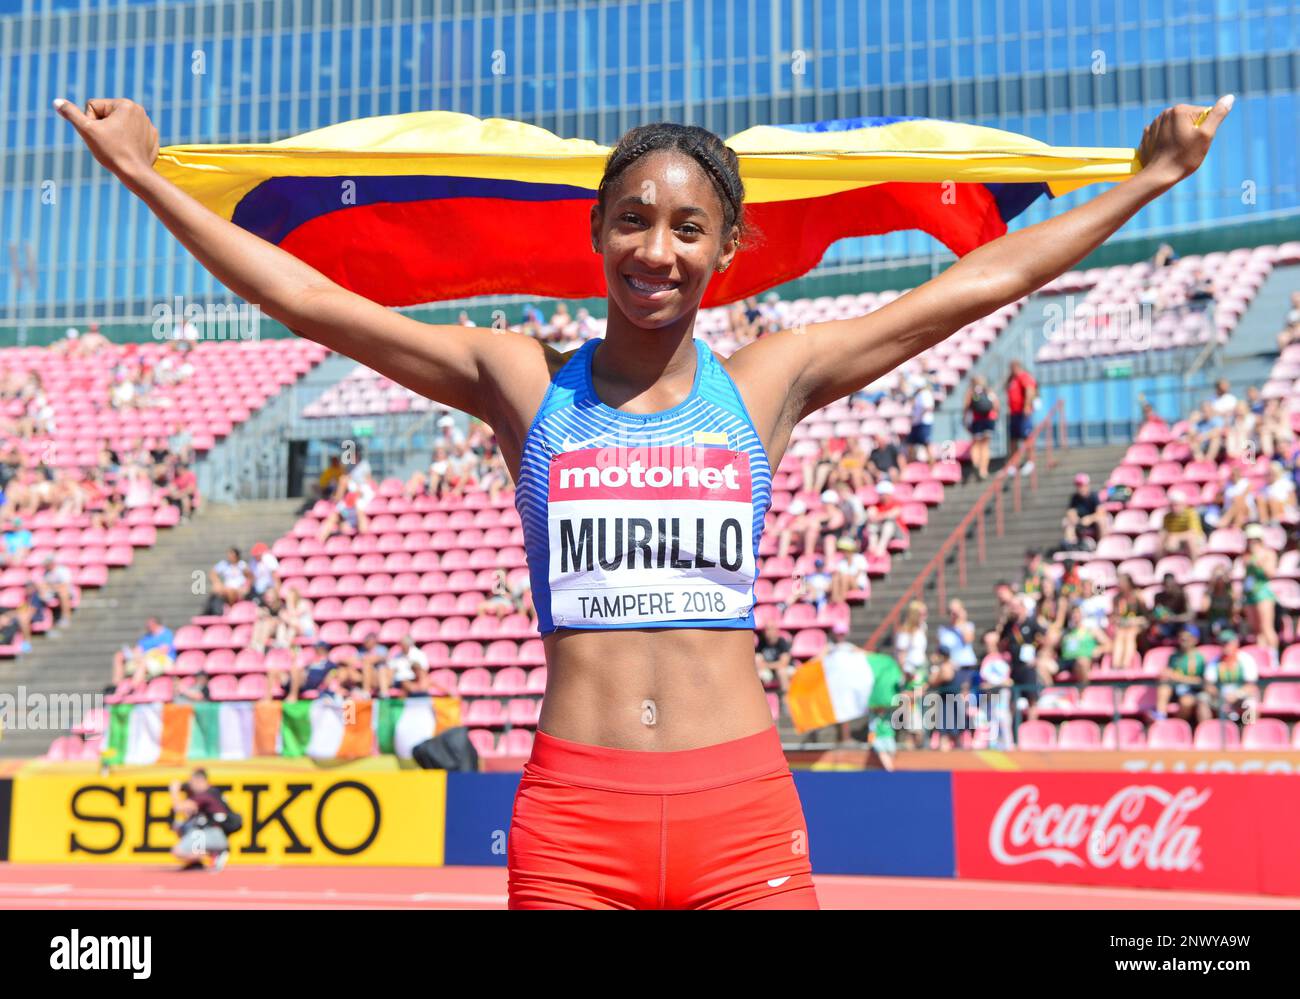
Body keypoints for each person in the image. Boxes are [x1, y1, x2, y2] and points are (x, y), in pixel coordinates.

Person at [58, 92, 1232, 909]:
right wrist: (147, 179)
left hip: (741, 814)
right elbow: (315, 305)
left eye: (686, 226)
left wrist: (1148, 182)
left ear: (726, 247)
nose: (655, 248)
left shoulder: (773, 382)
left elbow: (985, 281)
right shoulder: (520, 382)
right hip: (573, 823)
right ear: (595, 235)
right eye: (632, 219)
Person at [168, 768, 233, 872]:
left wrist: (174, 791)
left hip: (212, 834)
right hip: (210, 833)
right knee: (180, 826)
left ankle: (215, 853)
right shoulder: (213, 792)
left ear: (200, 780)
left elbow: (179, 808)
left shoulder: (205, 795)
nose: (189, 784)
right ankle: (196, 862)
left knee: (178, 851)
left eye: (191, 781)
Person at [1154, 625, 1210, 723]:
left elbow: (1200, 681)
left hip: (1191, 691)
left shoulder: (1199, 658)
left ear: (1195, 640)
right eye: (1181, 638)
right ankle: (1160, 716)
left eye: (1186, 638)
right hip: (1175, 690)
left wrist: (1177, 677)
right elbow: (1169, 673)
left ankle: (1177, 726)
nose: (1183, 641)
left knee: (1186, 701)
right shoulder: (1174, 656)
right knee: (1164, 685)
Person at [1203, 630, 1259, 722]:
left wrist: (1236, 695)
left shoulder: (1246, 659)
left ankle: (1250, 730)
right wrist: (1220, 695)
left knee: (1250, 703)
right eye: (1223, 643)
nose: (1225, 646)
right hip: (1220, 697)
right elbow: (1208, 685)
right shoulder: (1214, 661)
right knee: (1203, 700)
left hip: (1240, 696)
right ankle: (1207, 730)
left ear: (1236, 643)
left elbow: (1251, 685)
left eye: (1228, 643)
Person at [1241, 524, 1278, 655]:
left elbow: (1270, 573)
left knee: (1267, 628)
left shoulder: (1268, 553)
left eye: (1254, 540)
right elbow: (1247, 576)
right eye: (1249, 540)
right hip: (1250, 594)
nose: (1252, 543)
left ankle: (1274, 659)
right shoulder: (1246, 555)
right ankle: (1262, 658)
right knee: (1257, 631)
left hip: (1263, 593)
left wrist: (1259, 561)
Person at [1004, 359, 1038, 475]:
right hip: (1014, 413)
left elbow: (1030, 390)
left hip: (1022, 413)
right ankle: (1013, 463)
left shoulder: (1024, 377)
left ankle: (1030, 461)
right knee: (1013, 439)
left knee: (1027, 437)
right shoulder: (1012, 379)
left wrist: (1027, 406)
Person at [1062, 472, 1109, 550]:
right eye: (1078, 485)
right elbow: (1070, 512)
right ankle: (1072, 546)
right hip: (1080, 524)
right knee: (1066, 522)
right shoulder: (1074, 498)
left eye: (1081, 485)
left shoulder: (1094, 496)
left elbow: (1101, 512)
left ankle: (1101, 547)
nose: (1080, 488)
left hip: (1093, 523)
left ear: (1087, 485)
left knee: (1101, 521)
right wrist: (1074, 518)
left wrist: (1089, 519)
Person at [963, 374, 997, 480]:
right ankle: (984, 471)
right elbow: (996, 405)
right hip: (989, 419)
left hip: (977, 420)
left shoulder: (971, 392)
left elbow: (966, 407)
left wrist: (965, 420)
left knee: (976, 444)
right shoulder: (988, 391)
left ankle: (976, 463)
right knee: (985, 445)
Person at [754, 620, 793, 695]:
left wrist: (767, 665)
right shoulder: (761, 643)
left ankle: (785, 700)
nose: (769, 631)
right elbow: (759, 662)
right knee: (759, 675)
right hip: (769, 670)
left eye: (771, 628)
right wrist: (765, 666)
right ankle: (761, 698)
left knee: (781, 672)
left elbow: (783, 664)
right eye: (767, 629)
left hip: (787, 669)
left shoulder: (782, 642)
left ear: (776, 630)